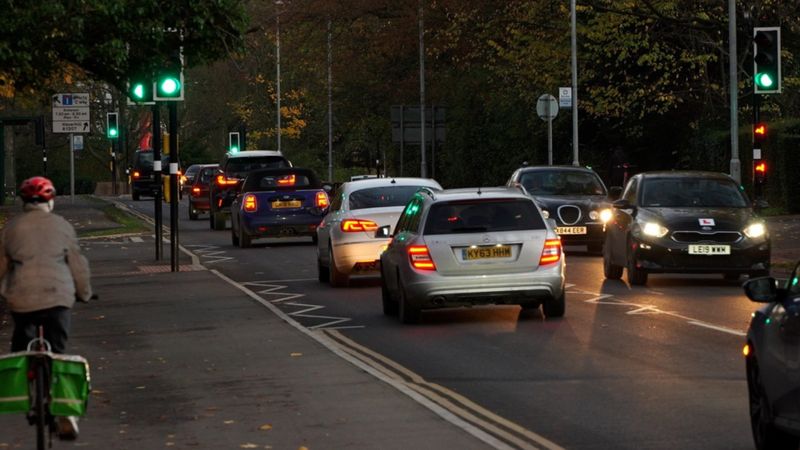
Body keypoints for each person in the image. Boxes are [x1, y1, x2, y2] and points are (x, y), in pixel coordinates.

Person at [0, 176, 92, 439]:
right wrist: (84, 293)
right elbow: (77, 266)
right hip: (57, 297)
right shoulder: (62, 226)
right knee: (58, 352)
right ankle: (64, 411)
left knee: (21, 345)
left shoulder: (11, 229)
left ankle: (28, 385)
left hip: (22, 298)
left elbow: (2, 265)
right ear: (50, 201)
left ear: (24, 202)